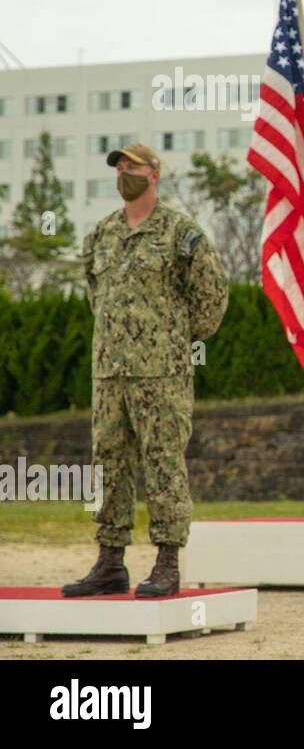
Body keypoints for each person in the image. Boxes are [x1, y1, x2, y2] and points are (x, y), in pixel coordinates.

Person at [62, 144, 228, 598]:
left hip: (161, 373)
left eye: (131, 166)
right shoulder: (101, 235)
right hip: (110, 372)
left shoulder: (180, 232)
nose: (123, 172)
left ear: (154, 174)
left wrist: (175, 339)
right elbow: (98, 297)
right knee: (109, 463)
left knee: (163, 464)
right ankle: (110, 561)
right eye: (118, 166)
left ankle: (167, 561)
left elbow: (212, 295)